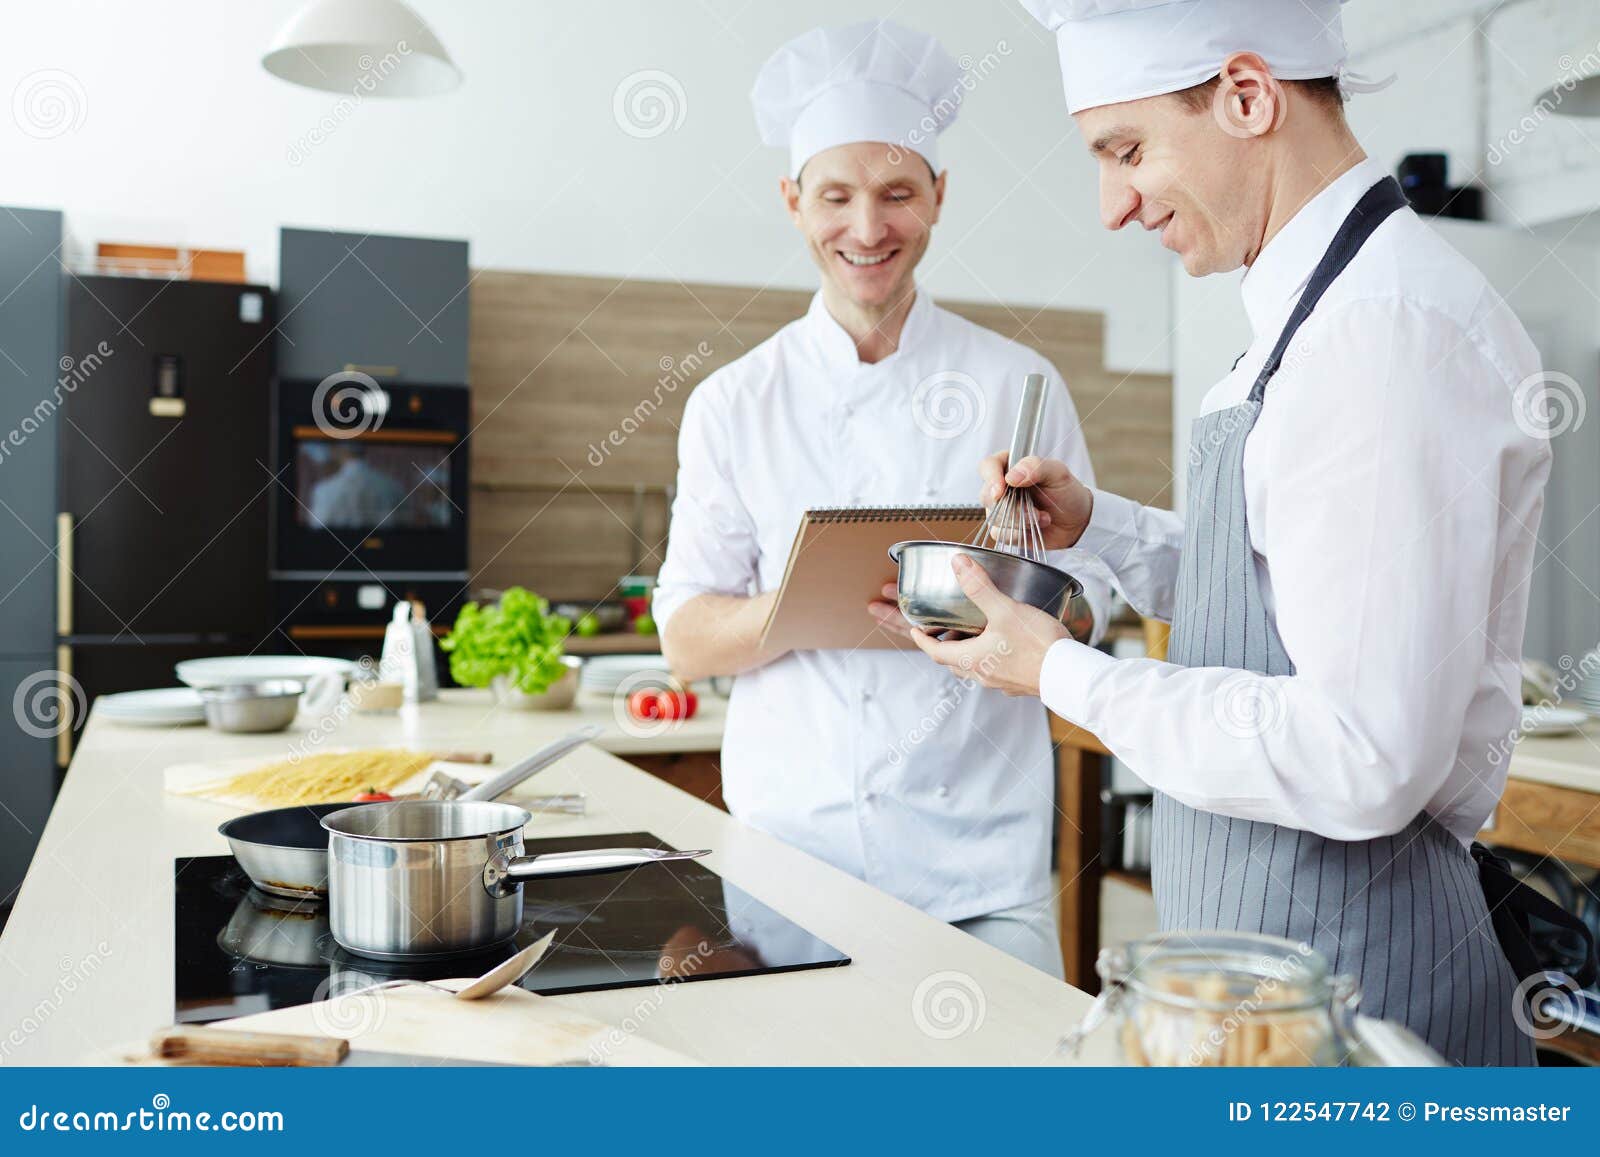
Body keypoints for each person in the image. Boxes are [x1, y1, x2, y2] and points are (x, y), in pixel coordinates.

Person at [876, 0, 1552, 1064]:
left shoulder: (1382, 336)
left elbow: (1364, 754)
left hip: (1351, 985)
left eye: (1126, 150)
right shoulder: (1303, 324)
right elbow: (1287, 595)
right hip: (1261, 966)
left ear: (1246, 95)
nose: (1110, 205)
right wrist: (1104, 525)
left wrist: (1060, 674)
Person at [653, 19, 1111, 976]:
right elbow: (685, 636)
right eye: (837, 196)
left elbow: (1089, 610)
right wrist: (803, 605)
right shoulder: (733, 401)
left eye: (898, 193)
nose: (868, 230)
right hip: (790, 867)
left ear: (939, 196)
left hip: (982, 869)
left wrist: (1013, 600)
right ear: (792, 201)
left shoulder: (1018, 386)